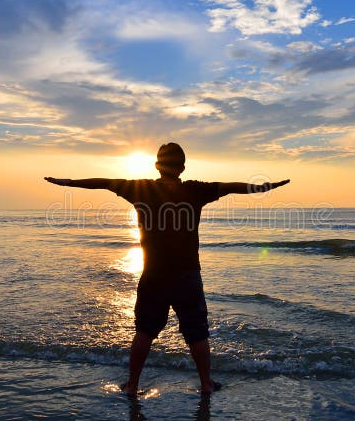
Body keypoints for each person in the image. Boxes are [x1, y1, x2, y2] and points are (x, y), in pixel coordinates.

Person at [44, 142, 289, 396]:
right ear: (183, 167)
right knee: (197, 332)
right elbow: (230, 188)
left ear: (157, 166)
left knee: (145, 331)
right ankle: (206, 383)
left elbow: (105, 182)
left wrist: (69, 182)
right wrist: (262, 188)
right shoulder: (195, 190)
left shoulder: (142, 189)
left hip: (154, 275)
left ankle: (133, 385)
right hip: (188, 275)